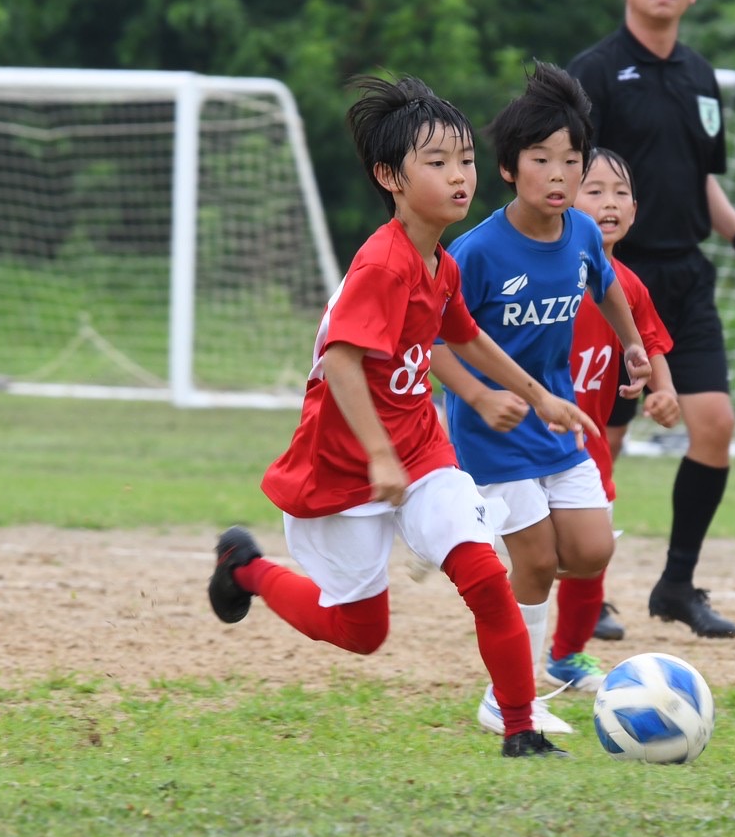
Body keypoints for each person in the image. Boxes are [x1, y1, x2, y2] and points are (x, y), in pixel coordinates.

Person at [206, 73, 600, 759]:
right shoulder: (383, 265)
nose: (460, 177)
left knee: (483, 574)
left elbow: (468, 338)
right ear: (390, 177)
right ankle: (246, 569)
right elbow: (341, 363)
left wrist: (539, 397)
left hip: (421, 454)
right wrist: (378, 456)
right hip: (342, 470)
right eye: (438, 163)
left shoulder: (438, 263)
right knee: (360, 633)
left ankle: (519, 728)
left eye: (467, 161)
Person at [566, 0, 735, 640]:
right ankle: (586, 594)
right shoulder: (594, 73)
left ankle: (677, 584)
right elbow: (560, 174)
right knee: (604, 440)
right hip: (610, 280)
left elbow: (701, 180)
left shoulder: (700, 76)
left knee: (714, 424)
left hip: (687, 275)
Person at [430, 63, 652, 727]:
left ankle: (471, 551)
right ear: (507, 168)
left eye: (572, 160)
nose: (560, 174)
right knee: (536, 560)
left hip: (556, 421)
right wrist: (476, 395)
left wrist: (632, 342)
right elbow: (437, 343)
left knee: (589, 551)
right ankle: (508, 699)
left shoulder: (582, 233)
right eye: (541, 159)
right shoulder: (477, 253)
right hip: (491, 431)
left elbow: (605, 281)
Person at [548, 148, 678, 674]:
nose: (610, 203)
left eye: (620, 192)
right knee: (521, 548)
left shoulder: (627, 285)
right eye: (595, 190)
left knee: (593, 556)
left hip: (588, 445)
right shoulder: (543, 272)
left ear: (635, 208)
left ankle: (566, 657)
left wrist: (661, 391)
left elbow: (650, 344)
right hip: (524, 434)